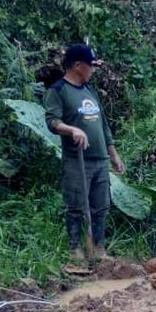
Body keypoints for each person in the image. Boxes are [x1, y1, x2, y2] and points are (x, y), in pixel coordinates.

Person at [44, 43, 125, 261]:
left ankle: (98, 249)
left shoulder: (90, 90)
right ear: (78, 66)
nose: (94, 70)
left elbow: (103, 125)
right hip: (77, 160)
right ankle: (75, 249)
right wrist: (72, 130)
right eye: (91, 65)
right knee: (76, 205)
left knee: (101, 206)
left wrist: (113, 154)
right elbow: (52, 121)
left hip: (101, 159)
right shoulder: (58, 90)